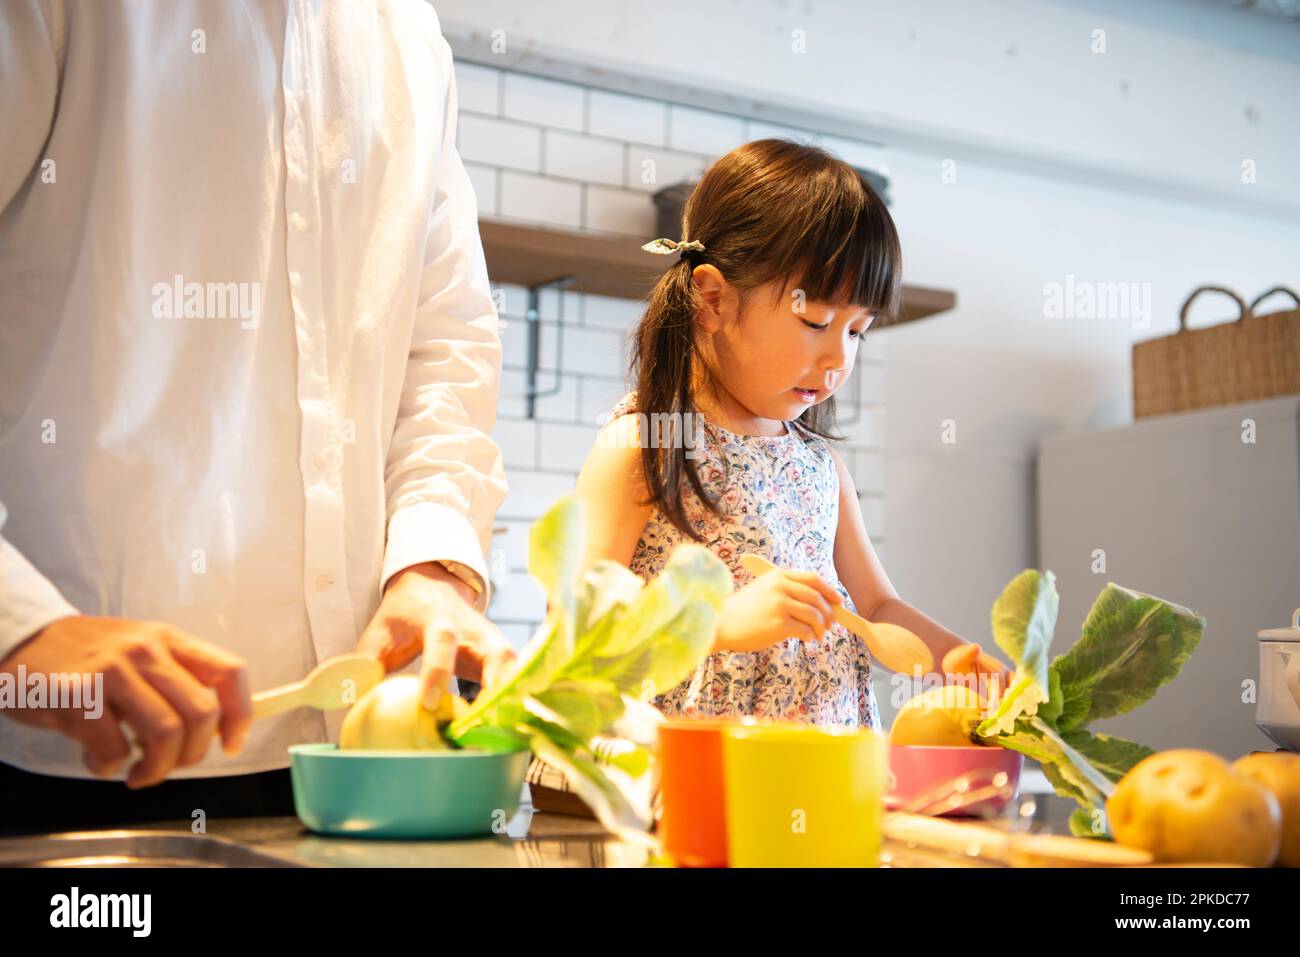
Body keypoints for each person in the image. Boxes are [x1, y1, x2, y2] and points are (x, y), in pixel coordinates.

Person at [0, 1, 513, 832]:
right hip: (70, 753)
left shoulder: (407, 31)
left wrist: (430, 560)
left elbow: (445, 341)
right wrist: (18, 626)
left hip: (355, 752)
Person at [573, 139, 1012, 730]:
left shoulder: (817, 465)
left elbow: (877, 606)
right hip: (696, 785)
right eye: (816, 322)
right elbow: (575, 629)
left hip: (831, 773)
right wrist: (719, 626)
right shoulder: (645, 446)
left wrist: (962, 664)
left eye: (858, 331)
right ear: (712, 300)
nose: (838, 358)